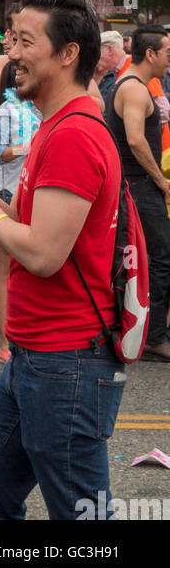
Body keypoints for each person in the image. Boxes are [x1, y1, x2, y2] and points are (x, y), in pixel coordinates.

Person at [0, 0, 126, 521]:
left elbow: (45, 254)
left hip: (65, 362)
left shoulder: (73, 134)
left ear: (68, 53)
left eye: (25, 42)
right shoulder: (54, 125)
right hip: (34, 356)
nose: (11, 55)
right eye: (10, 40)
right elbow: (36, 230)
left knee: (82, 519)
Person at [105, 23, 170, 362]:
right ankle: (153, 337)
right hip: (138, 186)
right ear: (150, 54)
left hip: (136, 185)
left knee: (143, 260)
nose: (169, 60)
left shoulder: (136, 85)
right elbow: (134, 138)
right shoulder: (133, 89)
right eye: (167, 54)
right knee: (160, 260)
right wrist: (160, 180)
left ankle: (149, 329)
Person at [0, 61, 41, 363]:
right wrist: (27, 148)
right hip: (8, 191)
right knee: (7, 268)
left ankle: (27, 333)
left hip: (33, 193)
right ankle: (6, 341)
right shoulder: (7, 110)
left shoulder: (40, 110)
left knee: (31, 265)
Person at [94, 30, 126, 110]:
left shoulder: (112, 76)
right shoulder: (82, 70)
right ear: (110, 50)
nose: (123, 55)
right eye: (120, 51)